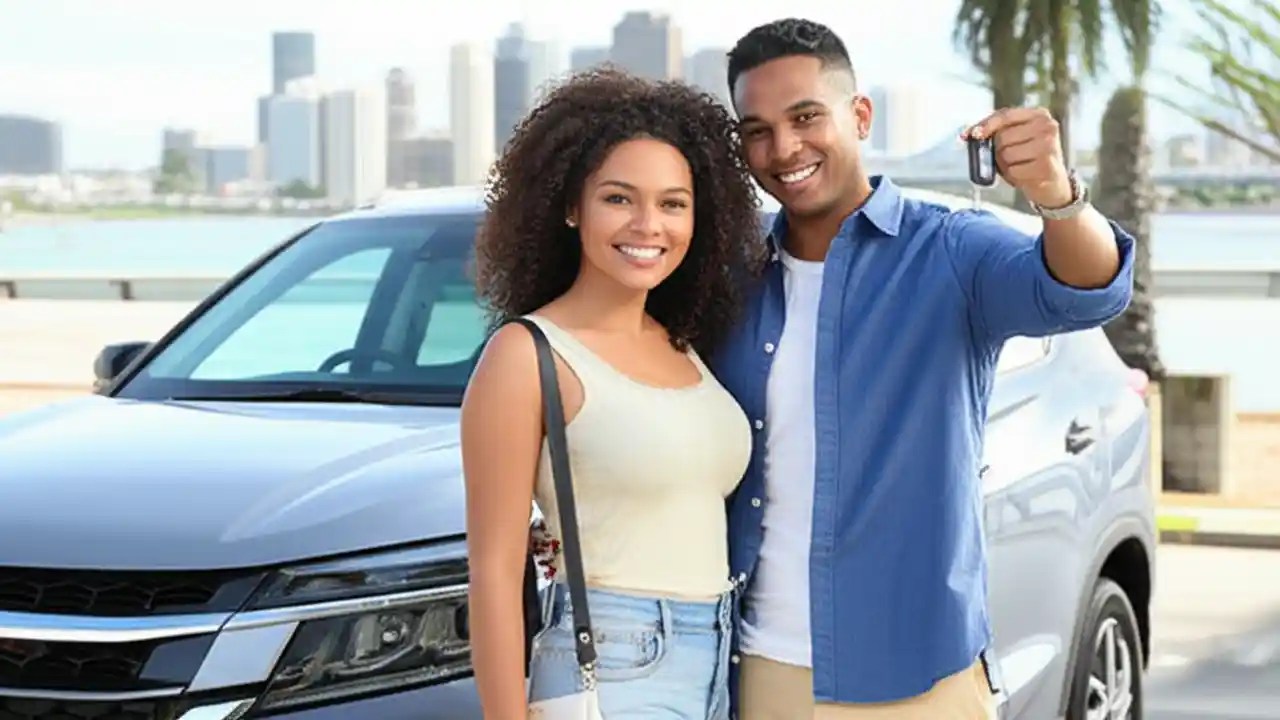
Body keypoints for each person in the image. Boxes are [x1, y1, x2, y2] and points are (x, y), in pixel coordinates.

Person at [711, 18, 1136, 720]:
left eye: (806, 116)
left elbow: (1085, 289)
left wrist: (1057, 195)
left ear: (860, 114)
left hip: (916, 681)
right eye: (756, 129)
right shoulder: (730, 273)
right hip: (757, 671)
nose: (782, 148)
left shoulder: (951, 251)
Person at [461, 67, 767, 719]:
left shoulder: (685, 344)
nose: (647, 224)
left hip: (718, 656)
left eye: (673, 203)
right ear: (572, 206)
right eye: (619, 198)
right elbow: (492, 571)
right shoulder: (527, 355)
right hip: (615, 661)